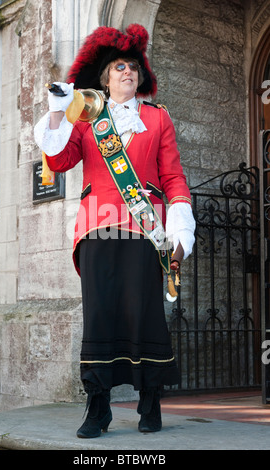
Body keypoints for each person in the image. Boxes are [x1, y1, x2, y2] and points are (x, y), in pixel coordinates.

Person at [34, 24, 195, 438]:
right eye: (120, 67)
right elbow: (59, 161)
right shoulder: (87, 120)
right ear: (105, 78)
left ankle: (150, 403)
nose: (128, 73)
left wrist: (179, 226)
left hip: (144, 229)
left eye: (134, 68)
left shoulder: (158, 119)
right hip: (98, 227)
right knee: (100, 316)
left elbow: (173, 177)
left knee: (144, 315)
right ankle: (98, 407)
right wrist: (57, 109)